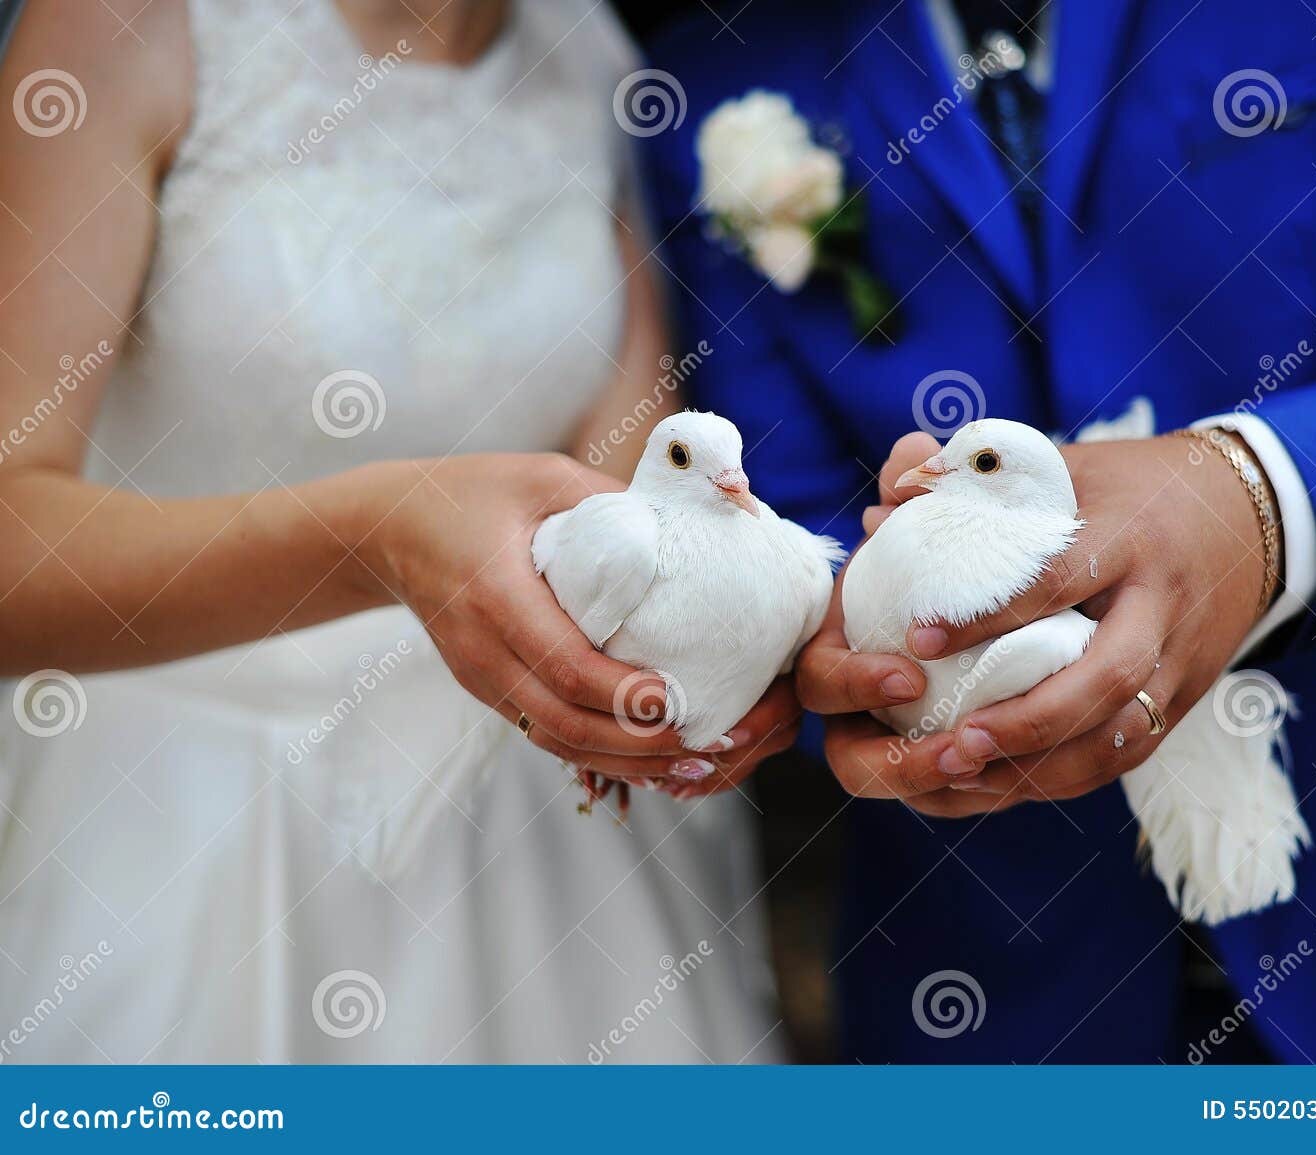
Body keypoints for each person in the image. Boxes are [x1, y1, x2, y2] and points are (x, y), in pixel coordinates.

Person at [643, 0, 1316, 1061]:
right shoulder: (711, 62)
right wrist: (855, 648)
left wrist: (1256, 495)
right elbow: (783, 509)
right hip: (996, 967)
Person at [0, 0, 790, 1062]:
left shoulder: (590, 52)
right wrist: (376, 541)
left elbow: (631, 489)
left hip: (536, 834)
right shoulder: (123, 28)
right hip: (191, 825)